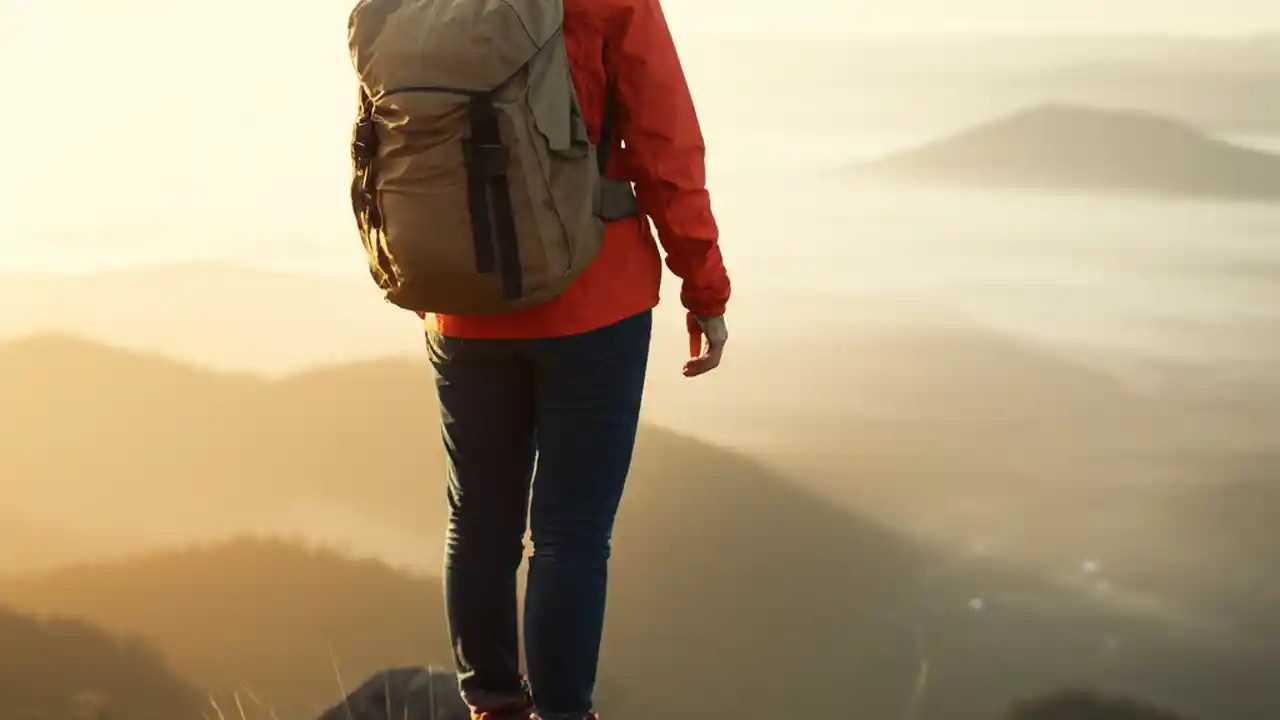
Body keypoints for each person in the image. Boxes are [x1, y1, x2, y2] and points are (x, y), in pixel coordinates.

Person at [423, 0, 730, 717]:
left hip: (464, 299)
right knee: (570, 534)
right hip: (595, 299)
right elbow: (665, 146)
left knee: (479, 519)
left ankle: (493, 704)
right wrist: (705, 286)